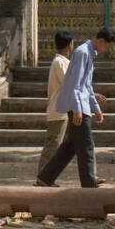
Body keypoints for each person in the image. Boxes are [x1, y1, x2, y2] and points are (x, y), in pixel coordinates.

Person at [36, 26, 115, 189]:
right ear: (101, 41)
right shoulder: (82, 53)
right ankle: (89, 186)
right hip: (78, 106)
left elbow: (86, 84)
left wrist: (96, 108)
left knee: (70, 146)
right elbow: (75, 84)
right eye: (107, 46)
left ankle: (45, 177)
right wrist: (78, 108)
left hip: (81, 105)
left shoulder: (88, 53)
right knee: (86, 147)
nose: (106, 49)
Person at [35, 29, 74, 184]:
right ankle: (43, 176)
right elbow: (70, 84)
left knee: (62, 146)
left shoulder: (63, 62)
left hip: (64, 110)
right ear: (70, 45)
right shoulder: (59, 63)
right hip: (59, 111)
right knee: (53, 145)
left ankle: (47, 176)